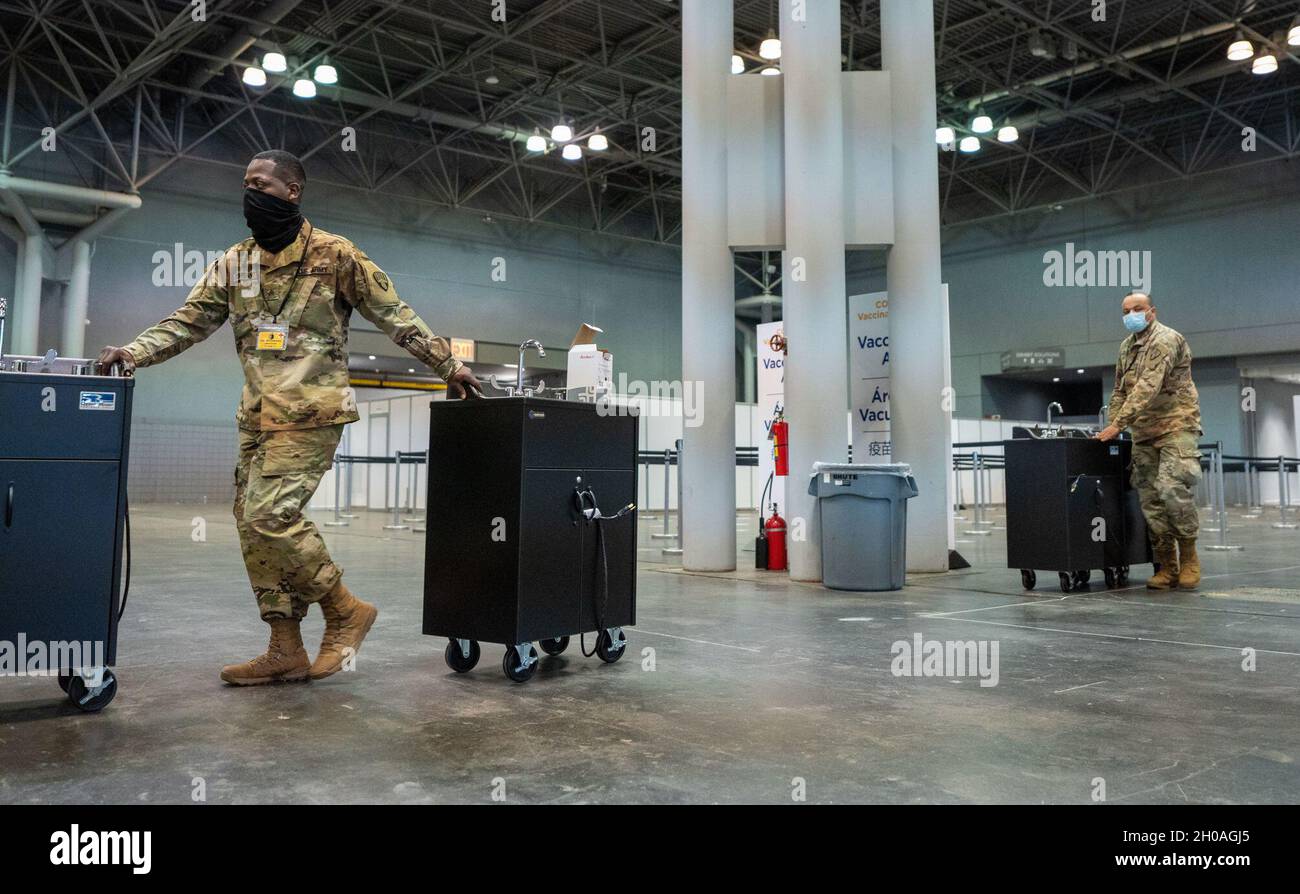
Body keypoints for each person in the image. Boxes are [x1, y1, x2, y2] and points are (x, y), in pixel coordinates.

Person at [99, 150, 482, 685]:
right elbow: (187, 322)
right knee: (252, 527)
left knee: (269, 515)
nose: (251, 193)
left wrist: (450, 364)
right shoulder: (234, 262)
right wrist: (134, 351)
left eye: (262, 184)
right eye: (245, 183)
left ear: (292, 191)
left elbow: (395, 316)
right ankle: (284, 646)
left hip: (312, 411)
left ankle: (346, 610)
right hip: (255, 417)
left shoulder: (335, 254)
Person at [1096, 291, 1202, 590]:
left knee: (1171, 490)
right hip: (1142, 431)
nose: (1131, 314)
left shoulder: (1166, 339)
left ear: (1151, 311)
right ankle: (1167, 565)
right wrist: (1112, 424)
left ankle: (1190, 559)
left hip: (1175, 426)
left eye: (1138, 309)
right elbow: (1120, 390)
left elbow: (1147, 388)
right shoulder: (1126, 347)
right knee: (1150, 500)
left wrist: (1117, 425)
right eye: (1126, 310)